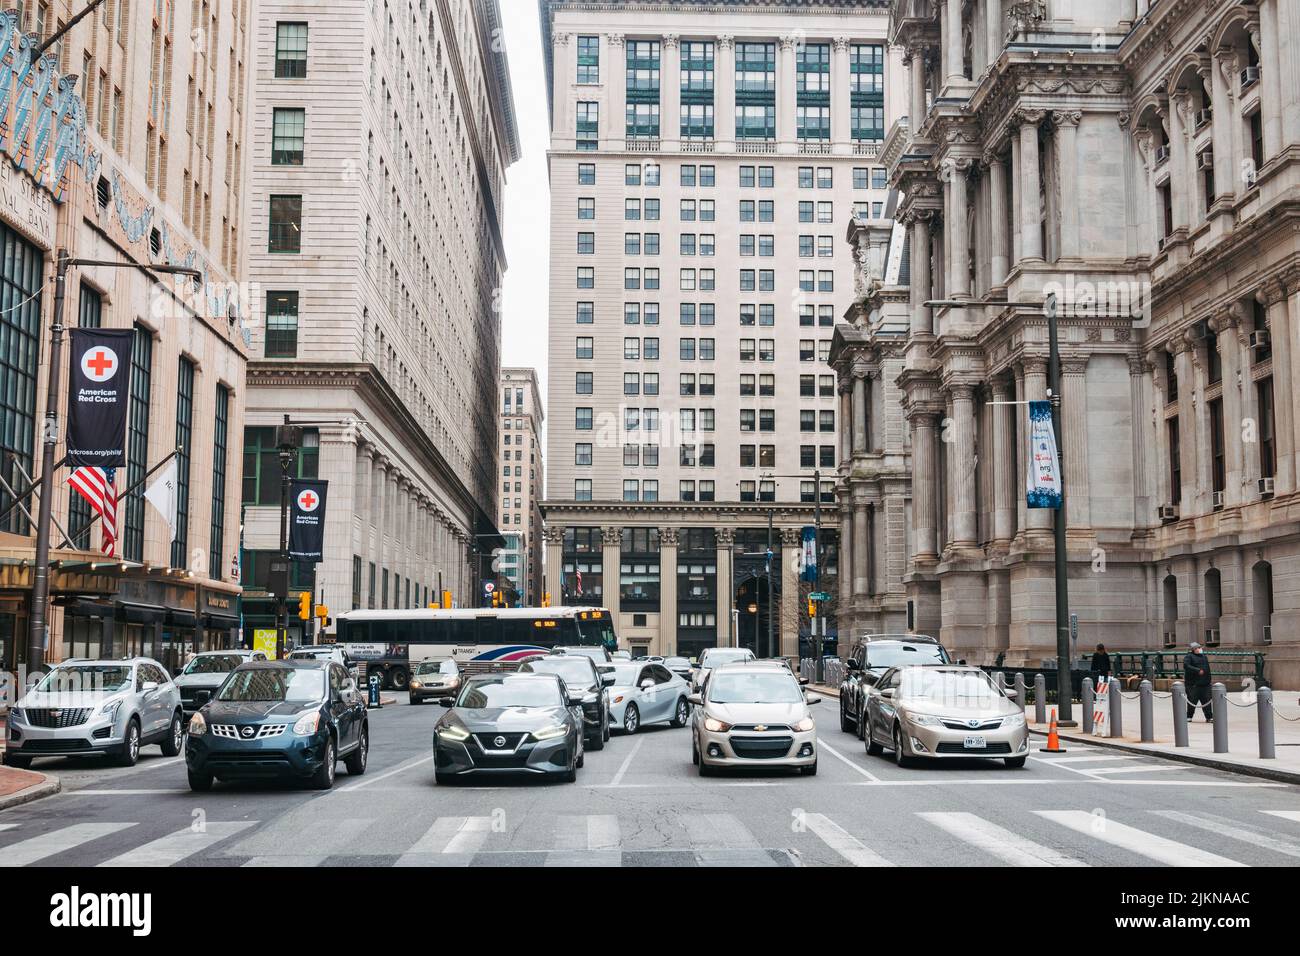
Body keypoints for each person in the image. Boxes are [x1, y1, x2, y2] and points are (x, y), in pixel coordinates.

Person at [1183, 641, 1213, 722]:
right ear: (1193, 649)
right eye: (1197, 648)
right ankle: (1189, 716)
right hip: (1193, 684)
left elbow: (1208, 669)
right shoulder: (1189, 657)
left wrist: (1209, 681)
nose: (1199, 649)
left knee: (1206, 701)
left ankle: (1209, 717)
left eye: (1200, 647)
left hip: (1205, 684)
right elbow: (1186, 666)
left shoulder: (1204, 657)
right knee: (1192, 701)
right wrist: (1197, 670)